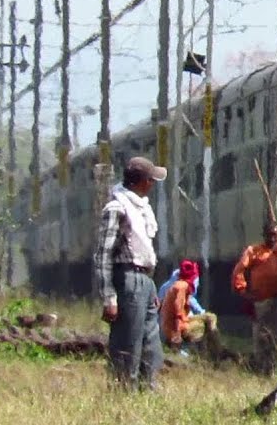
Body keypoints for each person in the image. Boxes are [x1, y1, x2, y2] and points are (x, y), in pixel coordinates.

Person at [95, 155, 167, 390]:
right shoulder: (116, 208)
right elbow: (103, 255)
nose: (154, 184)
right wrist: (109, 297)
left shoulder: (142, 208)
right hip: (127, 279)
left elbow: (144, 249)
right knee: (128, 346)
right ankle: (123, 394)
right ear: (143, 181)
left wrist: (150, 287)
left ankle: (148, 394)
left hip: (144, 281)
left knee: (150, 346)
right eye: (152, 179)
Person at [231, 220, 277, 374]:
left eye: (275, 236)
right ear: (264, 236)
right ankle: (259, 367)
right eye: (269, 235)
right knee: (261, 335)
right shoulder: (253, 251)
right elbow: (239, 270)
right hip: (261, 301)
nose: (272, 239)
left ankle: (273, 368)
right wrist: (243, 290)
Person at [160, 259, 222, 359]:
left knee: (209, 317)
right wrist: (176, 336)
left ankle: (213, 352)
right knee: (210, 319)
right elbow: (177, 310)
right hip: (175, 329)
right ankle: (217, 353)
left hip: (169, 326)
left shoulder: (174, 285)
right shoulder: (182, 287)